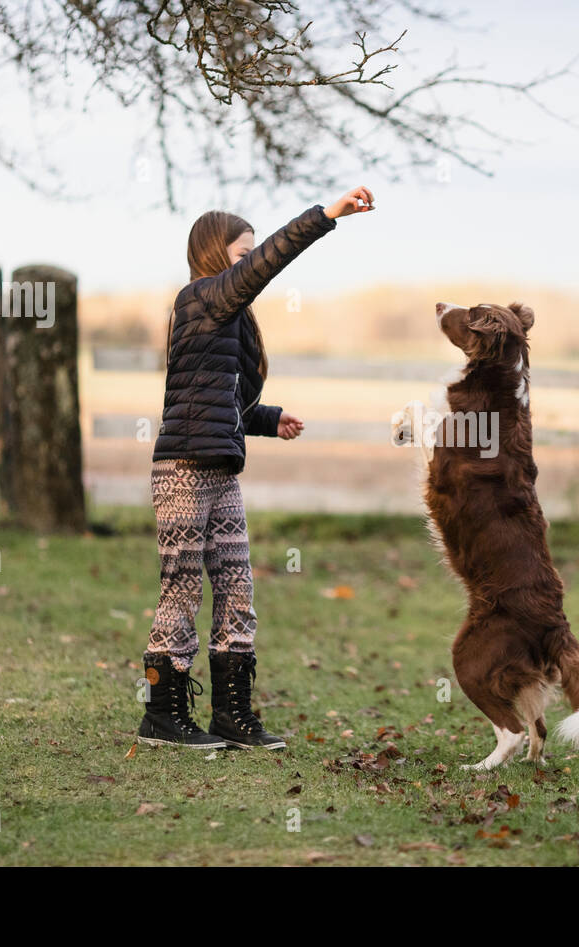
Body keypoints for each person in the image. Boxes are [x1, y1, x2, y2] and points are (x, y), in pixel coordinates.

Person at [138, 187, 376, 749]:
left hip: (220, 469)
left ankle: (233, 716)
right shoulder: (199, 298)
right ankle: (162, 716)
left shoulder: (232, 320)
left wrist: (268, 419)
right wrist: (326, 216)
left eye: (249, 256)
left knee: (238, 590)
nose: (249, 265)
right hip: (181, 470)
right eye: (241, 256)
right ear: (216, 258)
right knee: (182, 588)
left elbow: (226, 399)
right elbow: (273, 259)